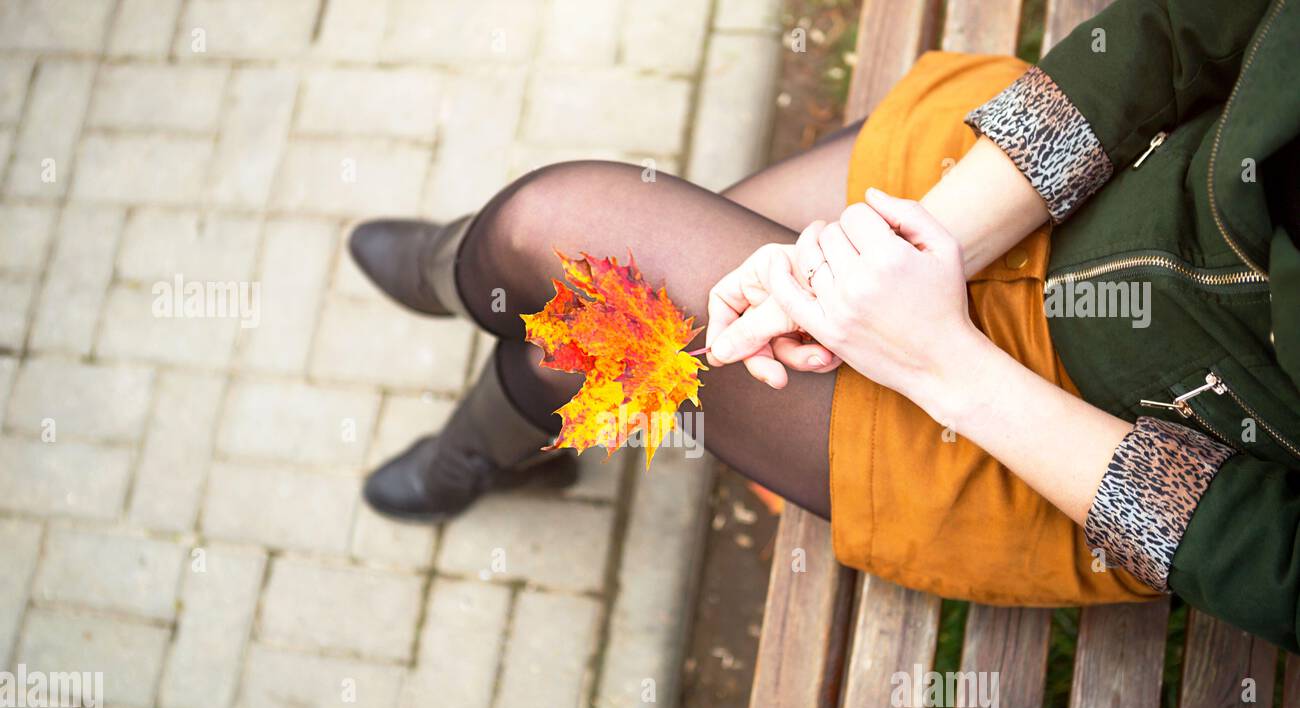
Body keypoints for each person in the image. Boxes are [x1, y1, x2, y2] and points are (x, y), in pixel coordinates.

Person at [348, 0, 1300, 653]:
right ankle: (481, 362)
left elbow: (1271, 563)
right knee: (586, 295)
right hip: (1039, 192)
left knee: (549, 251)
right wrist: (918, 251)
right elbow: (1176, 29)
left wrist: (937, 359)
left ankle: (470, 324)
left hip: (1060, 442)